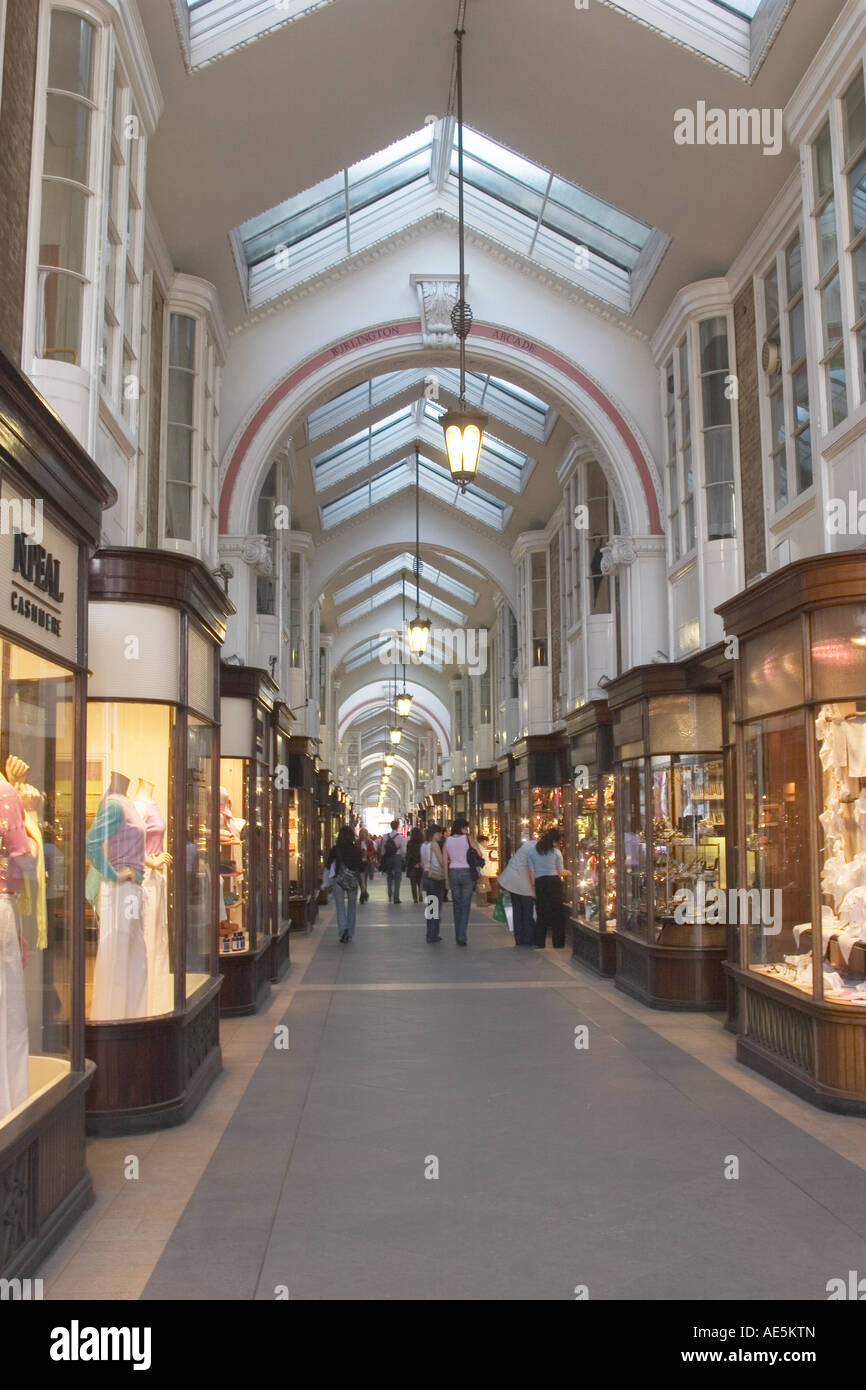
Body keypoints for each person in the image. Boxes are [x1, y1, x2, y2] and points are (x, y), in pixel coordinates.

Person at [527, 827, 566, 948]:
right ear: (554, 841)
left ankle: (539, 942)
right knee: (557, 914)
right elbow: (560, 871)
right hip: (554, 882)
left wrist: (533, 887)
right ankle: (558, 943)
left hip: (540, 883)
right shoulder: (556, 852)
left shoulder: (533, 851)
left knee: (541, 913)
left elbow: (531, 871)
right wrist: (571, 872)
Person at [326, 825, 363, 943]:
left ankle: (343, 930)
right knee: (352, 906)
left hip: (338, 880)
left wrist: (326, 879)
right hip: (352, 881)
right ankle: (350, 932)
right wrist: (363, 886)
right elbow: (361, 868)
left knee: (340, 906)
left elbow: (327, 865)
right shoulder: (357, 850)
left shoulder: (335, 849)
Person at [443, 817, 477, 947]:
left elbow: (446, 861)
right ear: (462, 828)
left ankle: (458, 935)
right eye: (465, 827)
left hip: (453, 872)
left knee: (457, 905)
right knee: (465, 905)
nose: (466, 830)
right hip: (466, 872)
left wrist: (446, 879)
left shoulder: (448, 841)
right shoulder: (467, 839)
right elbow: (478, 852)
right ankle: (462, 935)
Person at [497, 836, 537, 946]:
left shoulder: (529, 844)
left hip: (512, 880)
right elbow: (531, 869)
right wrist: (533, 887)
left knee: (518, 910)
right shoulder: (535, 849)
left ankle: (519, 939)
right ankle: (528, 939)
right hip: (523, 882)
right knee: (527, 911)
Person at [420, 824, 446, 943]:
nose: (441, 835)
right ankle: (433, 934)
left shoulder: (423, 845)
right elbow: (441, 861)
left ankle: (429, 932)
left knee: (430, 906)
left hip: (426, 875)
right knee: (436, 906)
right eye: (439, 833)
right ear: (434, 834)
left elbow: (422, 863)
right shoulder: (434, 845)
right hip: (435, 877)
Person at [380, 819, 407, 903]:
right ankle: (396, 897)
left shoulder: (385, 836)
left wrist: (383, 857)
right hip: (397, 857)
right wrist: (403, 858)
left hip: (388, 857)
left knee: (389, 876)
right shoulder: (400, 837)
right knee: (398, 877)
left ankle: (389, 893)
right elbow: (403, 850)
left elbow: (383, 849)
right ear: (397, 827)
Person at [405, 825, 425, 903]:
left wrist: (407, 864)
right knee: (420, 880)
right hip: (421, 864)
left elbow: (408, 854)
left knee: (413, 882)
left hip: (412, 864)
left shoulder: (410, 843)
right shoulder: (422, 843)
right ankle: (420, 892)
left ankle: (415, 898)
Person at [357, 826, 376, 902]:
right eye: (362, 833)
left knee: (364, 878)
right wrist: (360, 853)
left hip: (367, 862)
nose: (363, 835)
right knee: (360, 879)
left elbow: (373, 852)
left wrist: (367, 854)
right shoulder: (357, 842)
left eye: (365, 833)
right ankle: (365, 893)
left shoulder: (369, 842)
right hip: (359, 862)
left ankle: (362, 894)